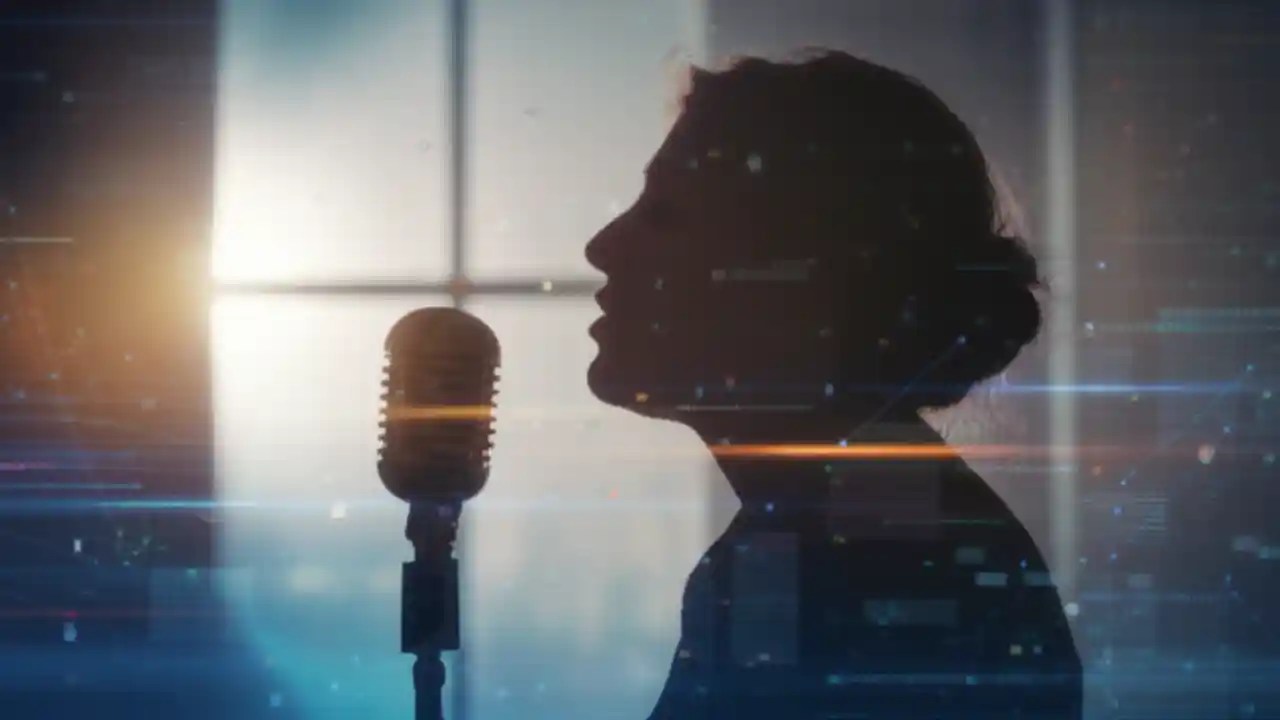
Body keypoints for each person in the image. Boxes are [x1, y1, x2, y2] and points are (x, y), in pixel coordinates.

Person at [585, 51, 1081, 719]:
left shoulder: (862, 561)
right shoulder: (838, 528)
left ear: (804, 279)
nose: (605, 246)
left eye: (667, 214)